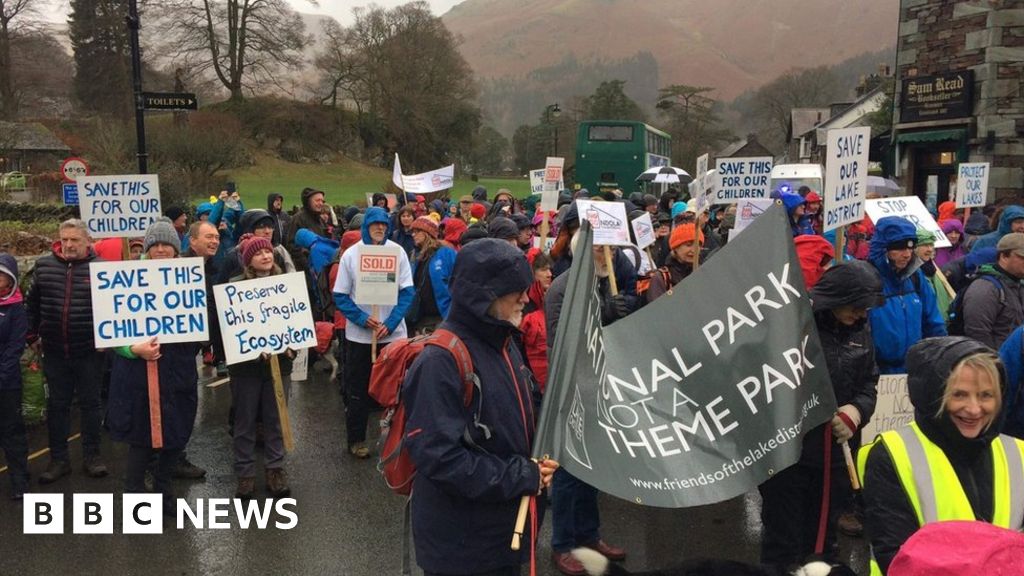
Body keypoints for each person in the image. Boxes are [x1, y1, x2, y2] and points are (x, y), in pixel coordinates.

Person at [403, 238, 558, 576]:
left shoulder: (502, 341)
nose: (526, 297)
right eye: (514, 290)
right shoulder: (440, 361)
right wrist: (521, 475)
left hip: (499, 536)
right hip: (463, 549)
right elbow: (439, 459)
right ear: (482, 295)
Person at [859, 337, 1024, 576]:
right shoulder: (891, 454)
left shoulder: (1018, 453)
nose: (974, 408)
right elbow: (894, 553)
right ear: (932, 395)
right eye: (959, 395)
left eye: (986, 395)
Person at [759, 260, 881, 572]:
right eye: (856, 306)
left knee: (822, 546)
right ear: (836, 299)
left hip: (836, 459)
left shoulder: (861, 328)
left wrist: (856, 412)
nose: (862, 315)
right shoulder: (791, 324)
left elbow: (869, 381)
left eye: (866, 308)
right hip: (787, 459)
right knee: (782, 545)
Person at [546, 229, 632, 575]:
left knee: (592, 468)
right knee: (569, 471)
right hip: (571, 387)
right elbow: (568, 340)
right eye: (599, 248)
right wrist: (605, 314)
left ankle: (588, 535)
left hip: (598, 386)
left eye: (608, 247)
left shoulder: (600, 283)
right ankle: (563, 544)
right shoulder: (564, 287)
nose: (605, 253)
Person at [107, 219, 200, 510]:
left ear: (175, 248)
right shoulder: (126, 277)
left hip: (178, 367)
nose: (161, 249)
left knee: (175, 431)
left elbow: (200, 325)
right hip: (138, 370)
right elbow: (109, 330)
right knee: (141, 435)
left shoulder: (189, 276)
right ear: (147, 247)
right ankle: (134, 492)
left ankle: (163, 490)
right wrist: (133, 349)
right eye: (155, 244)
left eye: (166, 244)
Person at [26, 218, 108, 483]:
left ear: (87, 241)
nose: (69, 245)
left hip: (89, 352)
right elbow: (32, 305)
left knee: (91, 405)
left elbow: (113, 309)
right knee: (57, 406)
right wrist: (31, 336)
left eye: (75, 240)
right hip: (55, 351)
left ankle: (92, 456)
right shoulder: (43, 266)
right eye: (65, 239)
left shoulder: (102, 270)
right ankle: (58, 459)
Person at [333, 207, 414, 458]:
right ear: (366, 226)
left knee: (397, 388)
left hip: (392, 335)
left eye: (383, 224)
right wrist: (362, 319)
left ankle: (398, 438)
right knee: (357, 390)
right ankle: (356, 439)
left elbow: (407, 291)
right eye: (374, 224)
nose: (379, 228)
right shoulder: (351, 255)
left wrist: (390, 322)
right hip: (360, 336)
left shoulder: (397, 252)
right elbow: (340, 295)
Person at [226, 236, 294, 499]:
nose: (265, 256)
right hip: (246, 368)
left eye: (268, 251)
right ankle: (245, 474)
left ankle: (275, 469)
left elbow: (298, 319)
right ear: (248, 260)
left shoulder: (286, 284)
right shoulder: (235, 288)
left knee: (275, 419)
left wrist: (293, 345)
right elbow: (230, 329)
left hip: (280, 364)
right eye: (258, 253)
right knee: (245, 422)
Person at [867, 217, 946, 373]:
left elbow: (933, 322)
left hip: (914, 370)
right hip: (876, 372)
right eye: (900, 248)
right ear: (883, 248)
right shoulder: (866, 280)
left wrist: (938, 357)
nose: (907, 254)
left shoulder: (916, 278)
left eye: (910, 248)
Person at [961, 232, 1024, 350]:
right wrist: (995, 364)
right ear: (1004, 256)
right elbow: (978, 335)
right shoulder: (985, 288)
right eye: (1022, 257)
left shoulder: (1019, 284)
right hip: (997, 362)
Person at [0, 253, 28, 500]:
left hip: (7, 383)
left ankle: (19, 479)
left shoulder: (16, 309)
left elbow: (15, 347)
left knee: (12, 431)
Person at [408, 216, 457, 335]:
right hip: (421, 318)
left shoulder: (446, 253)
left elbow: (458, 282)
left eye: (417, 231)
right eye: (412, 232)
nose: (413, 235)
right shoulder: (416, 256)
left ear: (428, 232)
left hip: (444, 316)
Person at [645, 223, 702, 304]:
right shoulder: (662, 278)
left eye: (698, 245)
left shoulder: (702, 273)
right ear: (675, 248)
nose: (693, 250)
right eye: (688, 245)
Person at [520, 251, 553, 391]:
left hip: (552, 377)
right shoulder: (522, 305)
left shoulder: (555, 298)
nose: (549, 274)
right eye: (543, 269)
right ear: (532, 273)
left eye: (550, 269)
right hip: (533, 383)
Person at [914, 230, 953, 323]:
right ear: (915, 248)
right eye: (925, 245)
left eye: (931, 245)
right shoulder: (912, 274)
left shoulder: (934, 270)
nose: (930, 249)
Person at [284, 187, 328, 272]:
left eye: (322, 201)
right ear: (308, 202)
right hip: (305, 270)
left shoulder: (320, 220)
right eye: (317, 200)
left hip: (321, 267)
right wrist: (307, 264)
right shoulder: (298, 219)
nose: (321, 203)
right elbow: (291, 245)